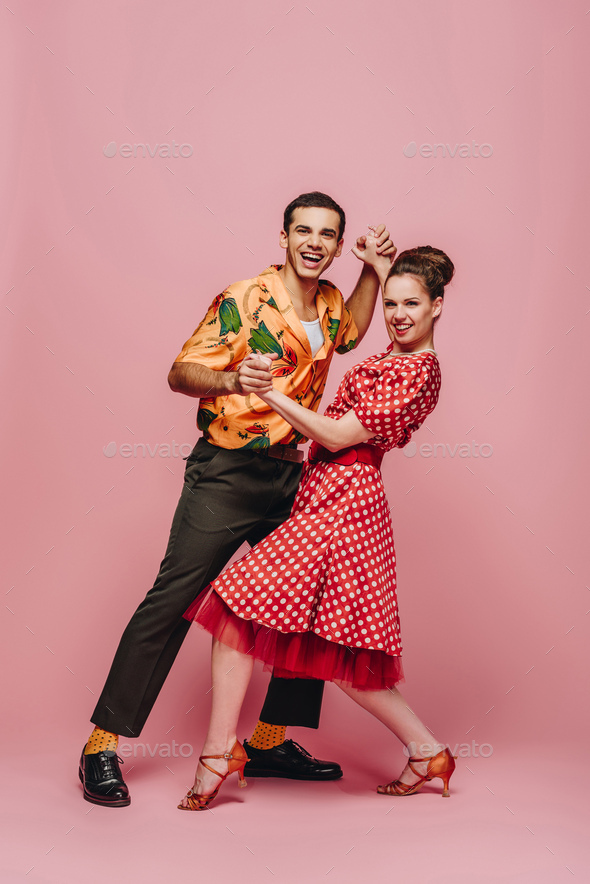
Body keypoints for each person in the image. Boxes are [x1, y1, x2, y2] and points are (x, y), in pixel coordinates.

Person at [79, 191, 397, 807]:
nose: (314, 243)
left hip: (293, 476)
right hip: (226, 472)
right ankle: (101, 745)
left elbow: (351, 332)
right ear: (283, 237)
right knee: (172, 599)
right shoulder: (243, 298)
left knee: (306, 605)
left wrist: (370, 272)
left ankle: (270, 741)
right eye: (303, 231)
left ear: (335, 244)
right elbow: (180, 372)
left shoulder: (329, 300)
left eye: (326, 235)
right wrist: (231, 378)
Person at [177, 244, 457, 811]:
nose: (398, 313)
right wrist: (377, 270)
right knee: (339, 649)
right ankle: (426, 752)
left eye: (413, 303)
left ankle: (217, 751)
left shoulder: (416, 372)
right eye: (393, 303)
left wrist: (267, 391)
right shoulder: (399, 357)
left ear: (437, 308)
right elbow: (380, 315)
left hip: (345, 507)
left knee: (236, 607)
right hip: (327, 498)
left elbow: (334, 437)